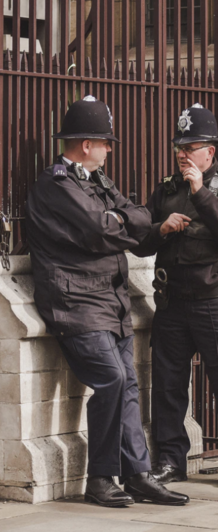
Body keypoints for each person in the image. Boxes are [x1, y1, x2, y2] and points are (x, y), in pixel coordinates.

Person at [25, 96, 189, 507]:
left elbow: (134, 217)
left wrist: (121, 220)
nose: (110, 149)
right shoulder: (56, 183)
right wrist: (118, 222)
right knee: (113, 380)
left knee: (127, 384)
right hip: (75, 302)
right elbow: (100, 231)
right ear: (86, 144)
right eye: (106, 142)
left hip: (108, 301)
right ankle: (100, 477)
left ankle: (136, 474)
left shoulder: (97, 180)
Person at [133, 103, 218, 488]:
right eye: (179, 148)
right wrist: (162, 230)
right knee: (168, 388)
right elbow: (140, 242)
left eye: (192, 147)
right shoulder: (166, 191)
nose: (184, 155)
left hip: (213, 300)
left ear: (211, 152)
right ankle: (171, 460)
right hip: (172, 302)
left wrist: (200, 191)